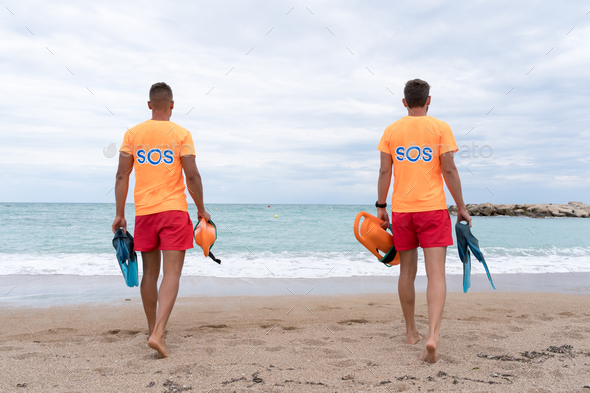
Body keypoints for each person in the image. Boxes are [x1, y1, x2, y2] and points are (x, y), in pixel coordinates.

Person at [111, 82, 210, 358]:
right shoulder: (181, 133)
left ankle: (153, 327)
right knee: (173, 273)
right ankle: (158, 333)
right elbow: (192, 175)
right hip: (174, 211)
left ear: (149, 105)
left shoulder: (133, 133)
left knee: (150, 274)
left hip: (144, 213)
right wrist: (201, 209)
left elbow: (121, 176)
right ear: (173, 105)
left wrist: (120, 213)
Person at [376, 79, 471, 363]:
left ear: (404, 102)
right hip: (433, 210)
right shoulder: (440, 128)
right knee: (436, 274)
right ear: (429, 100)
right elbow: (449, 170)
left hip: (403, 211)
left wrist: (381, 207)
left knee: (406, 272)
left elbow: (384, 173)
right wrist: (462, 207)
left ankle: (410, 332)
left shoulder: (391, 131)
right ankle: (432, 336)